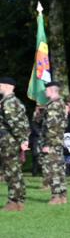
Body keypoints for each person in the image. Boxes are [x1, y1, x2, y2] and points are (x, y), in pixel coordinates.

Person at [0, 77, 31, 212]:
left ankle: (13, 202)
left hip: (9, 141)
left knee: (11, 171)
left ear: (7, 86)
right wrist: (24, 139)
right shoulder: (16, 102)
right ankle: (19, 200)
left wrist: (22, 140)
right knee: (16, 172)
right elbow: (25, 123)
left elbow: (14, 124)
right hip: (13, 140)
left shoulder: (8, 103)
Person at [40, 82, 69, 205]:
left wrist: (48, 144)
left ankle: (56, 196)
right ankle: (62, 195)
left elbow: (52, 126)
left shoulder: (53, 105)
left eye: (46, 90)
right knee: (60, 168)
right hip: (58, 141)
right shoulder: (62, 104)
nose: (44, 92)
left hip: (52, 141)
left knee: (53, 169)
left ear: (52, 90)